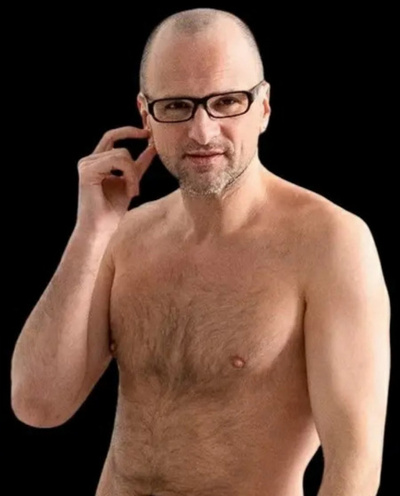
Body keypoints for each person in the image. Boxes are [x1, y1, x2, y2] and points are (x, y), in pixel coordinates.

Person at [11, 8, 391, 496]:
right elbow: (38, 405)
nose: (202, 132)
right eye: (177, 107)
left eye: (227, 102)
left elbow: (354, 467)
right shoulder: (126, 237)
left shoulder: (329, 244)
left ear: (264, 107)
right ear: (146, 116)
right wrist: (91, 232)